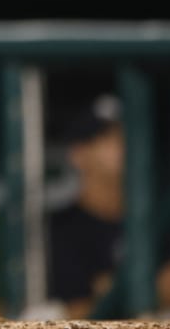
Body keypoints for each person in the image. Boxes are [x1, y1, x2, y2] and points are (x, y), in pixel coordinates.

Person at [48, 96, 125, 316]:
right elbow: (78, 313)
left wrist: (113, 289)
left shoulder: (162, 219)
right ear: (78, 154)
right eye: (108, 138)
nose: (124, 145)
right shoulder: (61, 229)